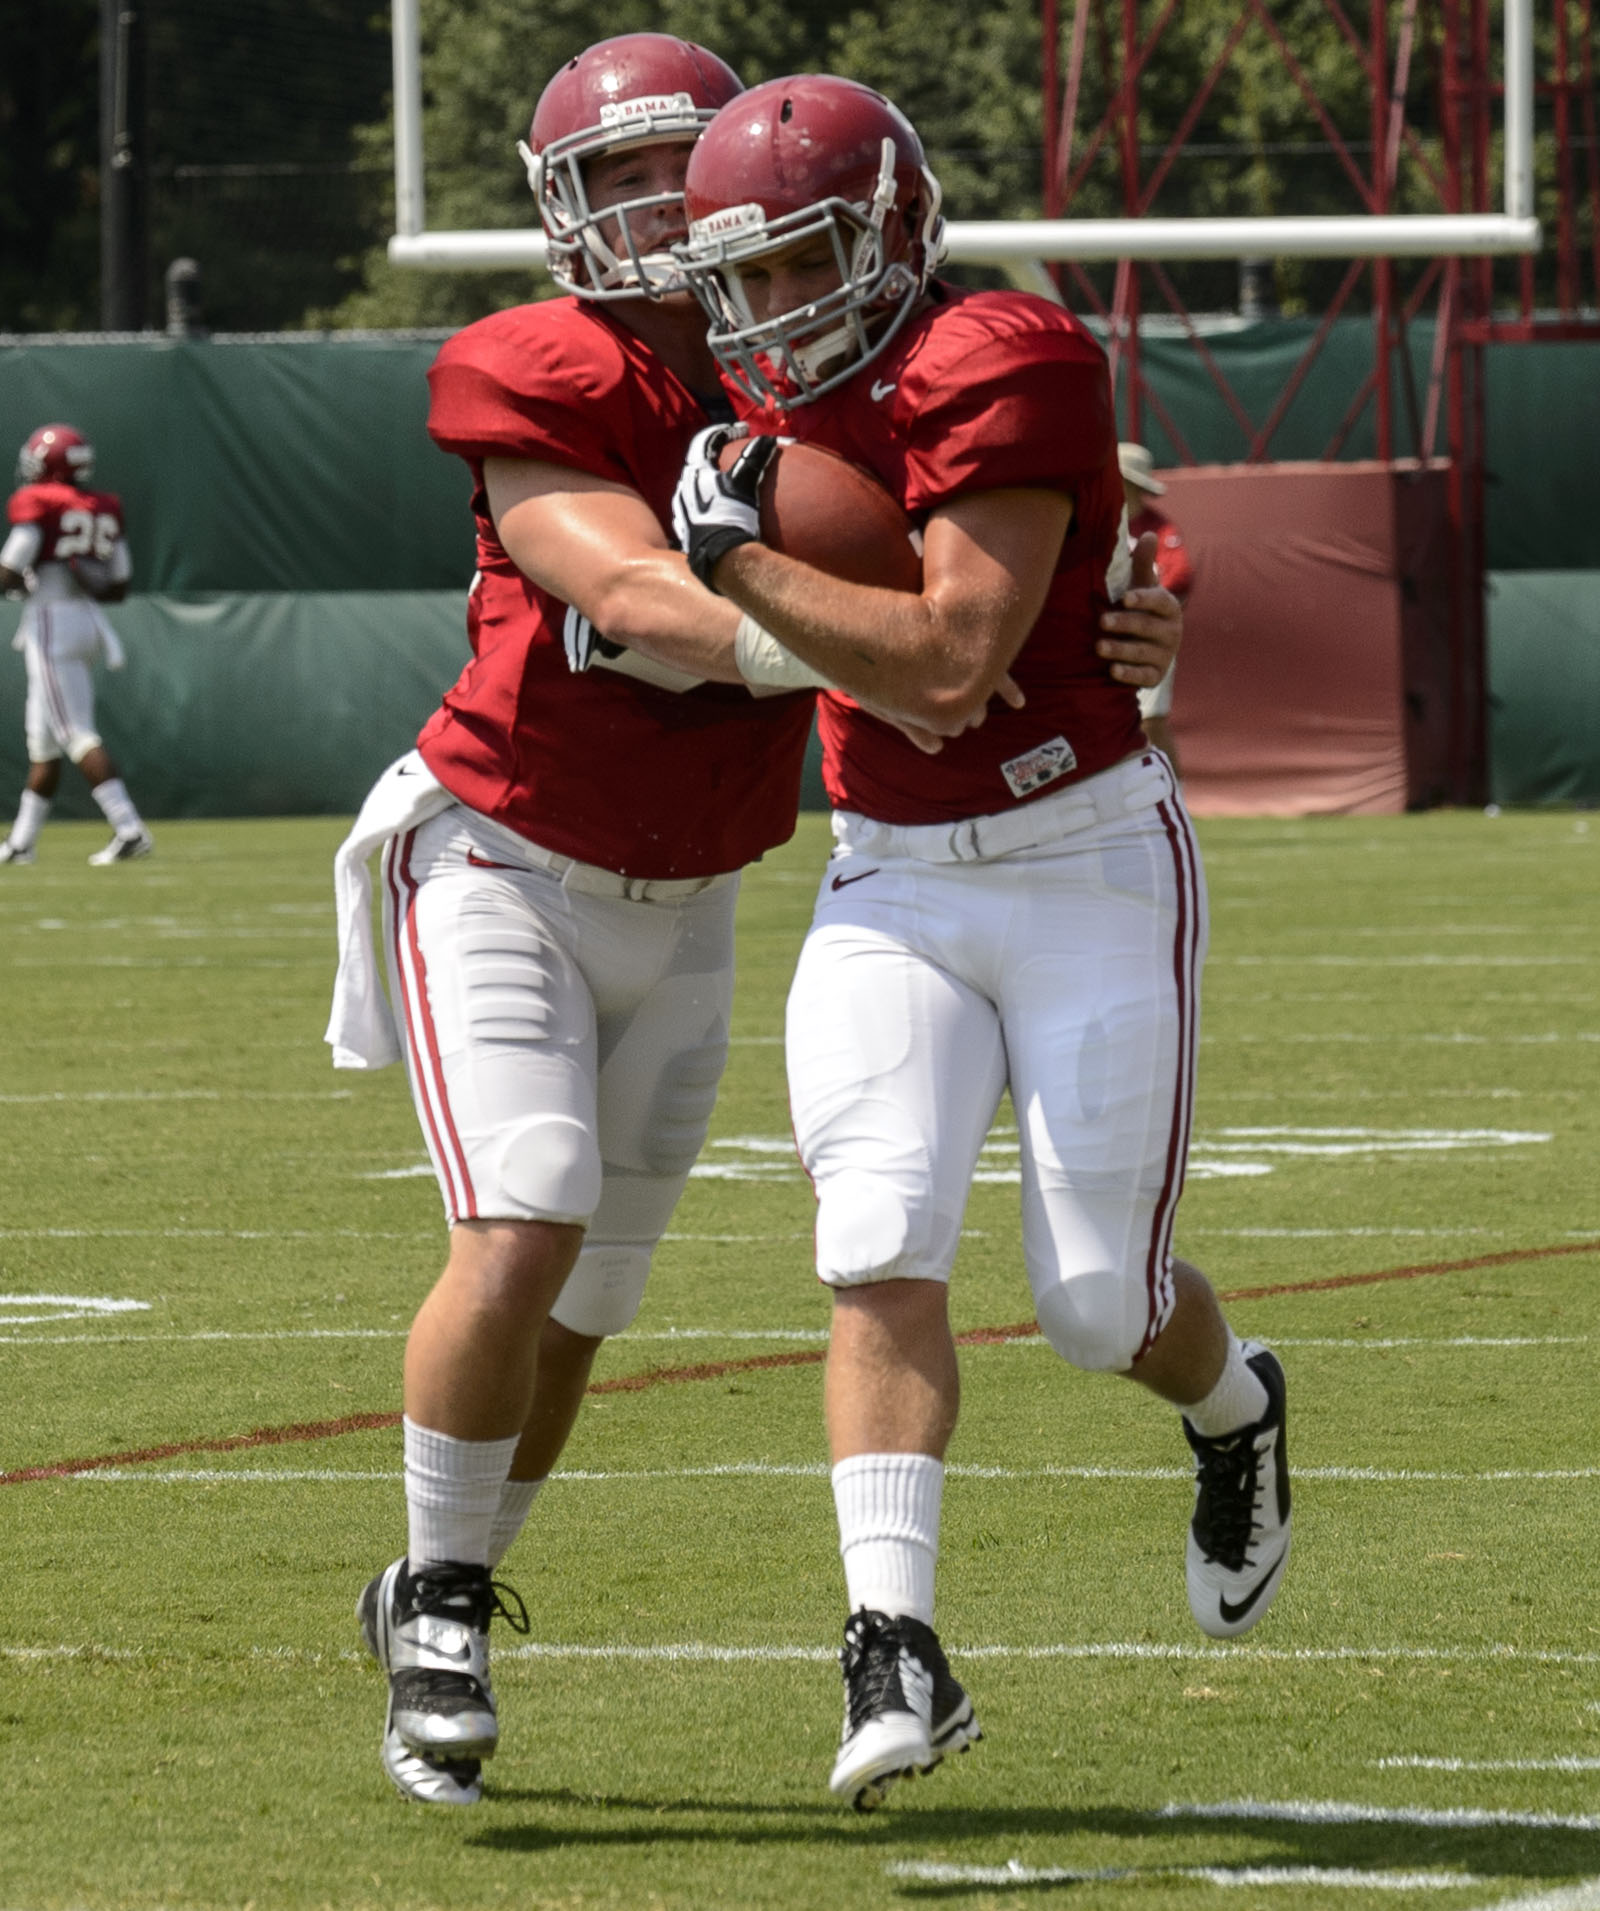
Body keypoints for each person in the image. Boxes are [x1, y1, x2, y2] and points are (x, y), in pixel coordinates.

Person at [325, 32, 1185, 1813]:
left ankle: (441, 1575)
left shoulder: (821, 365)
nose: (656, 215)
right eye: (615, 180)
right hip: (499, 852)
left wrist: (1130, 602)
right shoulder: (535, 364)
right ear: (558, 211)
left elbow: (1084, 520)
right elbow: (633, 580)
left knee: (589, 1307)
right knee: (529, 1214)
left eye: (678, 172)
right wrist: (902, 645)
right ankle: (447, 1611)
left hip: (698, 894)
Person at [670, 74, 1290, 1812]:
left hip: (1084, 857)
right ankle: (893, 1646)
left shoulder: (998, 350)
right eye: (750, 277)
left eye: (803, 265)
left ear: (893, 228)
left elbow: (949, 663)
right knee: (874, 1236)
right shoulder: (744, 381)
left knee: (1098, 1305)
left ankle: (1235, 1408)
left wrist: (732, 561)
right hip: (891, 867)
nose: (773, 310)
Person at [0, 424, 153, 865]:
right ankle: (22, 844)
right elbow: (118, 586)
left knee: (76, 734)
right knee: (44, 744)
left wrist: (25, 584)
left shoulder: (40, 504)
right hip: (87, 620)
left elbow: (11, 566)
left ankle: (129, 828)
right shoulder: (101, 508)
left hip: (51, 622)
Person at [1119, 441, 1195, 772]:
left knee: (1150, 721)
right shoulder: (1097, 520)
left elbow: (1179, 575)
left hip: (1145, 632)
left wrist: (1133, 596)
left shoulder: (1158, 528)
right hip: (1101, 632)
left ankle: (1174, 791)